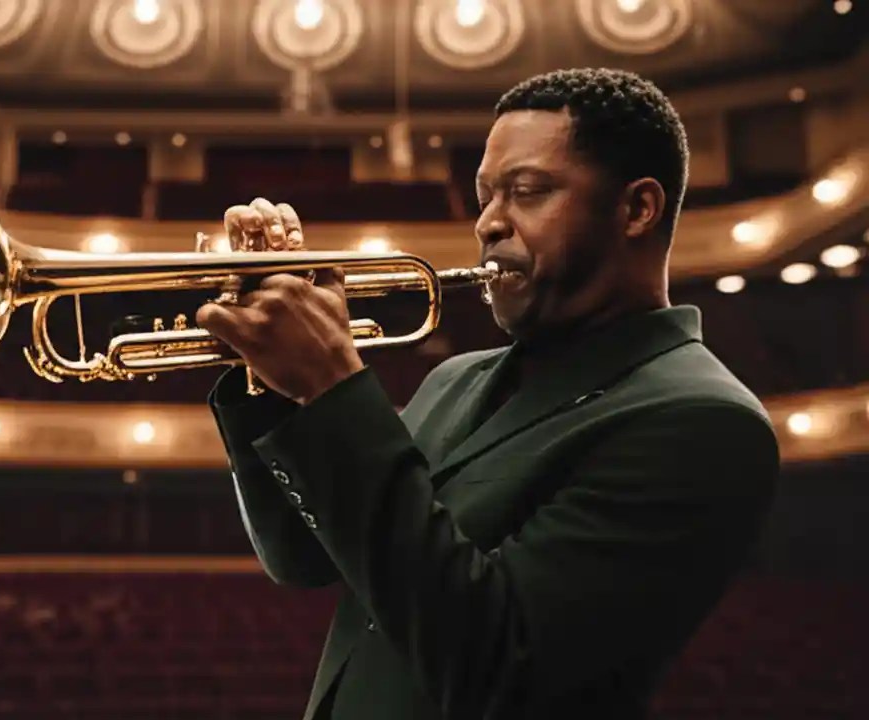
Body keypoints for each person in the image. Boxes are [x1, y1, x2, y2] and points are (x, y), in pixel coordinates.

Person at [195, 68, 780, 719]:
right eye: (485, 198)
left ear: (637, 209)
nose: (490, 224)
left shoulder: (702, 421)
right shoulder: (454, 379)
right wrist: (271, 385)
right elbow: (302, 559)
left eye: (528, 192)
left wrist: (333, 386)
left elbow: (500, 666)